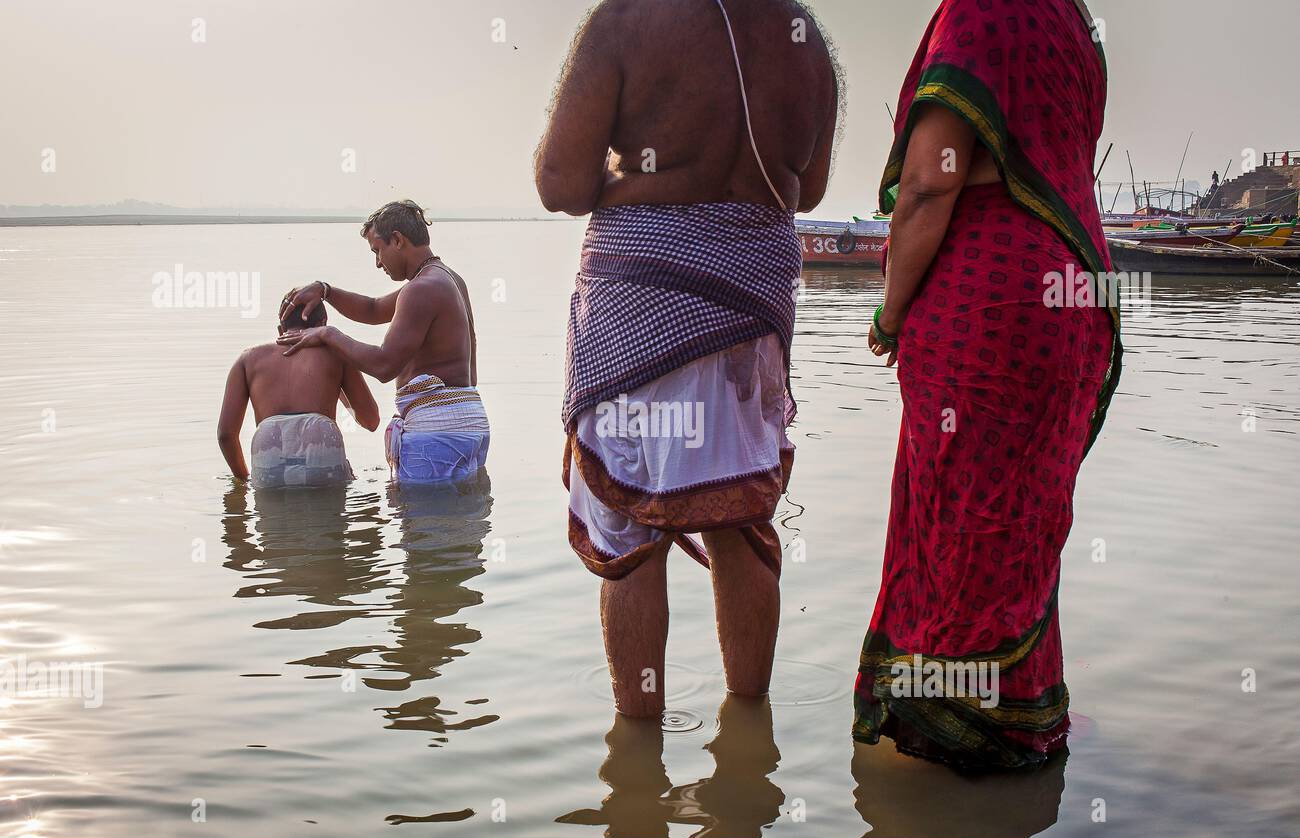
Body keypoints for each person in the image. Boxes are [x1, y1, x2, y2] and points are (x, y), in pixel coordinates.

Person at [535, 0, 839, 717]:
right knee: (740, 518)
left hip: (641, 307)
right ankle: (748, 746)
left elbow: (560, 184)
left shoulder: (628, 20)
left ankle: (635, 772)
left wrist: (649, 168)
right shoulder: (804, 38)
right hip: (753, 310)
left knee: (628, 522)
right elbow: (812, 186)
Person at [853, 0, 1121, 769]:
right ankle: (1019, 731)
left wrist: (891, 313)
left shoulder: (979, 11)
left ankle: (957, 743)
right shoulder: (1073, 25)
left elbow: (931, 183)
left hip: (992, 304)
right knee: (1020, 522)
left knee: (957, 517)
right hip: (1074, 302)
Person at [277, 200, 489, 484]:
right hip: (467, 422)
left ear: (398, 240)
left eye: (378, 250)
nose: (378, 262)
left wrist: (328, 334)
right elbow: (374, 309)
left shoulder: (421, 289)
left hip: (437, 432)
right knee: (463, 524)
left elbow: (384, 365)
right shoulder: (447, 279)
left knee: (423, 526)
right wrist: (325, 290)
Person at [217, 304, 380, 488]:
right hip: (321, 452)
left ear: (280, 330)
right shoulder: (337, 354)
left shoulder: (247, 359)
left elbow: (226, 435)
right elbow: (371, 421)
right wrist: (339, 384)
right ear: (323, 325)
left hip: (269, 457)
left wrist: (244, 480)